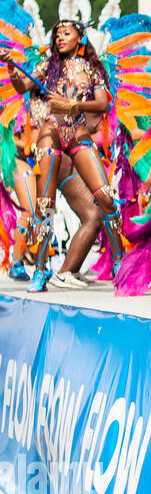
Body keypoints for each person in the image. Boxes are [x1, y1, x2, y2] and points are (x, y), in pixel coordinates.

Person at [3, 19, 122, 293]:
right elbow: (22, 86)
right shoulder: (48, 66)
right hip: (51, 133)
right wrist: (11, 67)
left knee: (105, 196)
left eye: (66, 33)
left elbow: (103, 103)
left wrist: (73, 104)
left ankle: (119, 263)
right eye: (56, 34)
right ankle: (42, 271)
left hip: (78, 134)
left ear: (80, 37)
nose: (59, 38)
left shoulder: (93, 69)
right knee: (45, 204)